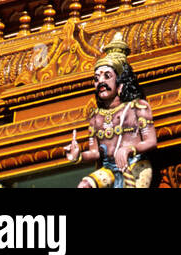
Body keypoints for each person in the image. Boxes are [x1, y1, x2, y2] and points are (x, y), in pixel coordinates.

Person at [64, 35, 157, 188]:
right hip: (109, 168)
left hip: (135, 166)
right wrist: (78, 155)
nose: (101, 82)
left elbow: (151, 141)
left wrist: (129, 149)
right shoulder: (96, 117)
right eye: (96, 78)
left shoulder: (137, 107)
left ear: (120, 82)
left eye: (107, 76)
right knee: (84, 186)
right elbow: (95, 153)